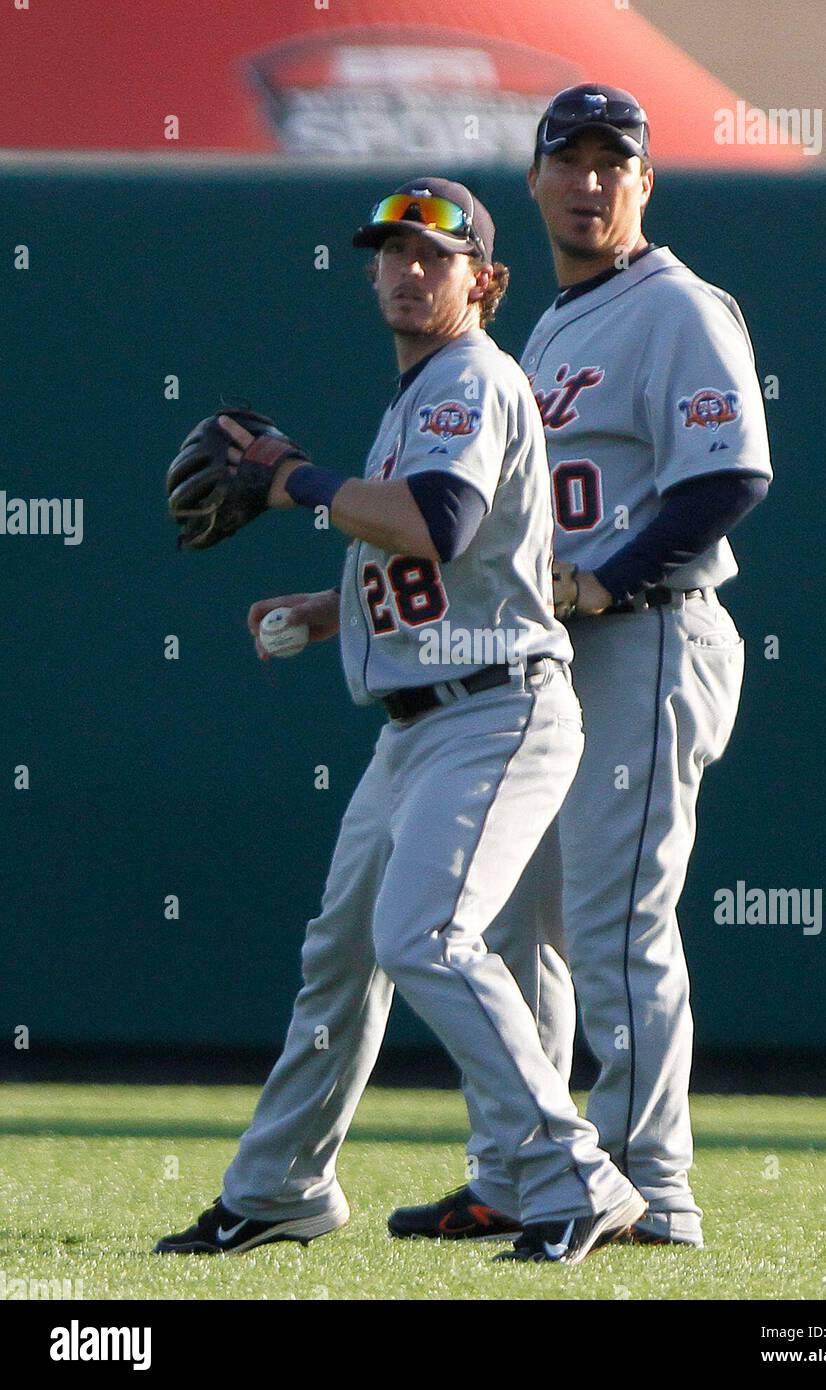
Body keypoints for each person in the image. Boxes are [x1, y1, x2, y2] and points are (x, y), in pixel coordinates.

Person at [154, 176, 646, 1266]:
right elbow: (462, 557)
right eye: (393, 251)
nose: (412, 270)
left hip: (497, 709)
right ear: (370, 269)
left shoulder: (469, 375)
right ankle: (279, 1186)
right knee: (339, 958)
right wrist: (335, 608)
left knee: (422, 935)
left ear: (485, 280)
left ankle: (576, 1174)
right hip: (420, 719)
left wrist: (291, 478)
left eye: (437, 254)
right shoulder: (418, 393)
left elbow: (441, 520)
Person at [389, 88, 772, 1250]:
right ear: (537, 180)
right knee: (518, 929)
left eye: (617, 162)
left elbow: (729, 473)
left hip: (652, 633)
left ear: (644, 183)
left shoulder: (677, 305)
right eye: (573, 159)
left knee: (615, 927)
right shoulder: (555, 324)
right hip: (561, 659)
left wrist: (611, 576)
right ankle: (520, 1171)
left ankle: (652, 1188)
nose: (592, 181)